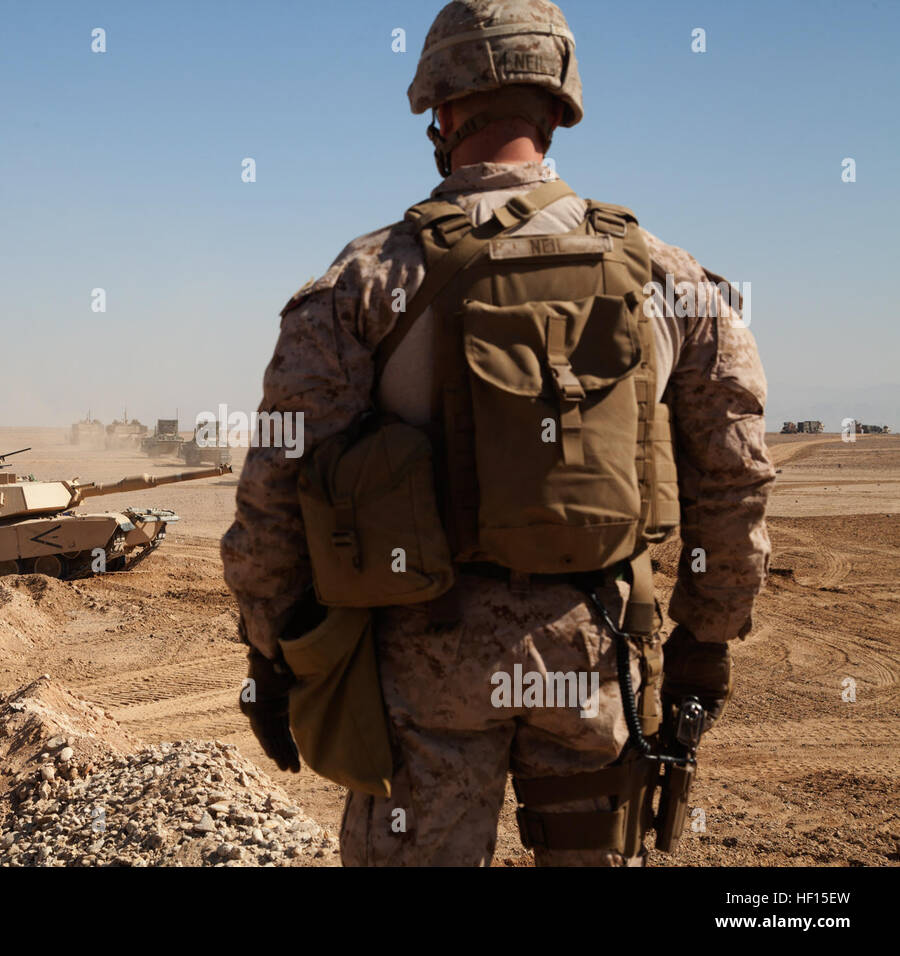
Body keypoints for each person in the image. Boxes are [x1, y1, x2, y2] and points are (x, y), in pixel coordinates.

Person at [221, 0, 774, 866]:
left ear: (439, 114)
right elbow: (733, 479)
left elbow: (276, 489)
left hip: (422, 666)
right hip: (598, 655)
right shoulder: (672, 280)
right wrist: (707, 643)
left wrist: (274, 647)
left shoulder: (364, 283)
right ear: (556, 109)